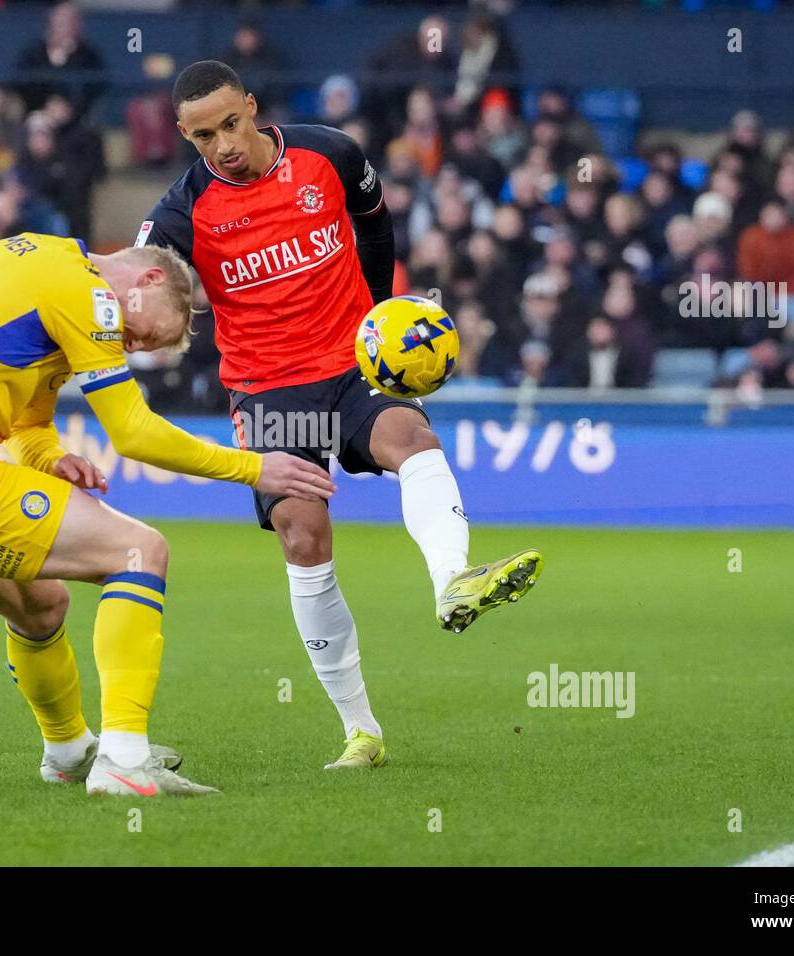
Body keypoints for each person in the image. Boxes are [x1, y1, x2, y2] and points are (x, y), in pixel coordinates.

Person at [136, 61, 542, 772]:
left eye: (231, 124)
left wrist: (380, 316)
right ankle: (362, 731)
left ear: (253, 108)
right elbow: (138, 284)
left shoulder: (330, 153)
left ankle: (453, 580)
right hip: (267, 390)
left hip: (353, 364)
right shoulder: (180, 212)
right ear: (184, 135)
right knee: (303, 534)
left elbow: (374, 224)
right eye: (203, 136)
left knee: (412, 438)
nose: (223, 145)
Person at [0, 233, 334, 797]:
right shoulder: (85, 293)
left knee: (43, 605)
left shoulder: (38, 262)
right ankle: (124, 761)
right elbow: (131, 431)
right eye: (144, 333)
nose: (130, 344)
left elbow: (28, 425)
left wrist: (51, 458)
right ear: (150, 281)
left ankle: (69, 750)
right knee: (139, 551)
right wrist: (254, 468)